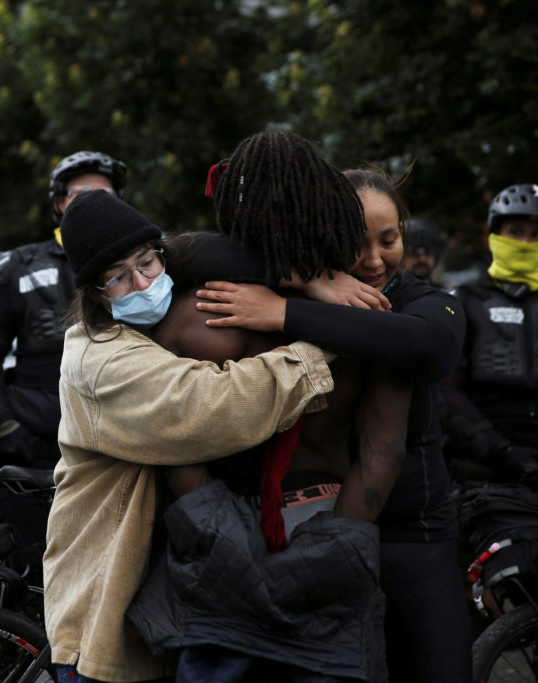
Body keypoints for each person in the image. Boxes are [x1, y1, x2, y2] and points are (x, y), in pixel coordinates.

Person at [45, 188, 339, 682]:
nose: (141, 282)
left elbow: (201, 246)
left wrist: (307, 279)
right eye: (119, 277)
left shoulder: (154, 323)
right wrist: (321, 341)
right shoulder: (101, 360)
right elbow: (212, 405)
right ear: (96, 293)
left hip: (165, 603)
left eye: (147, 263)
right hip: (106, 617)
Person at [189, 167, 470, 682]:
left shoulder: (424, 302)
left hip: (412, 537)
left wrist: (283, 314)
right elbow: (183, 251)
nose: (372, 260)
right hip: (319, 532)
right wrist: (307, 278)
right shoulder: (301, 282)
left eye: (390, 240)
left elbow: (428, 346)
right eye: (353, 243)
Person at [0, 150, 126, 543]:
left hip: (116, 446)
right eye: (82, 192)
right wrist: (2, 424)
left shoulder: (143, 268)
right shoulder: (13, 268)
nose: (93, 202)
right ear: (58, 202)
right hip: (32, 449)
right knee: (25, 570)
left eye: (105, 195)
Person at [443, 183, 538, 486]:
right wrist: (501, 450)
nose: (526, 242)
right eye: (516, 232)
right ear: (494, 235)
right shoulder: (463, 302)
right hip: (485, 471)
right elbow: (444, 392)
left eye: (536, 235)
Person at [405, 216, 448, 286]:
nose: (422, 259)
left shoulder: (445, 295)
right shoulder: (386, 295)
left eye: (428, 252)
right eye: (413, 253)